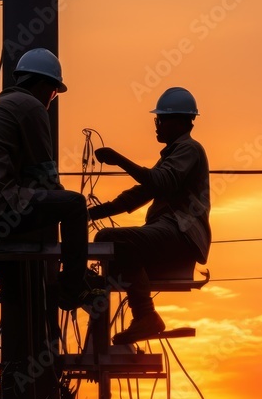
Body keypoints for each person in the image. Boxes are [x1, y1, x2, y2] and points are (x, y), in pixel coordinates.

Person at [0, 48, 95, 311]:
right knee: (73, 204)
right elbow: (45, 174)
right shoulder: (30, 107)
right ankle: (73, 288)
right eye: (53, 93)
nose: (51, 100)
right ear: (41, 84)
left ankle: (21, 339)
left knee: (19, 292)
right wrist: (59, 208)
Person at [88, 86, 211, 344]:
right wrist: (95, 212)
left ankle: (146, 316)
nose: (157, 125)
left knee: (112, 240)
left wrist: (119, 160)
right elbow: (142, 192)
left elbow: (161, 181)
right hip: (171, 233)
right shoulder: (175, 153)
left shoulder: (189, 149)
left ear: (179, 121)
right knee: (109, 245)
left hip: (181, 235)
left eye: (161, 119)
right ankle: (140, 314)